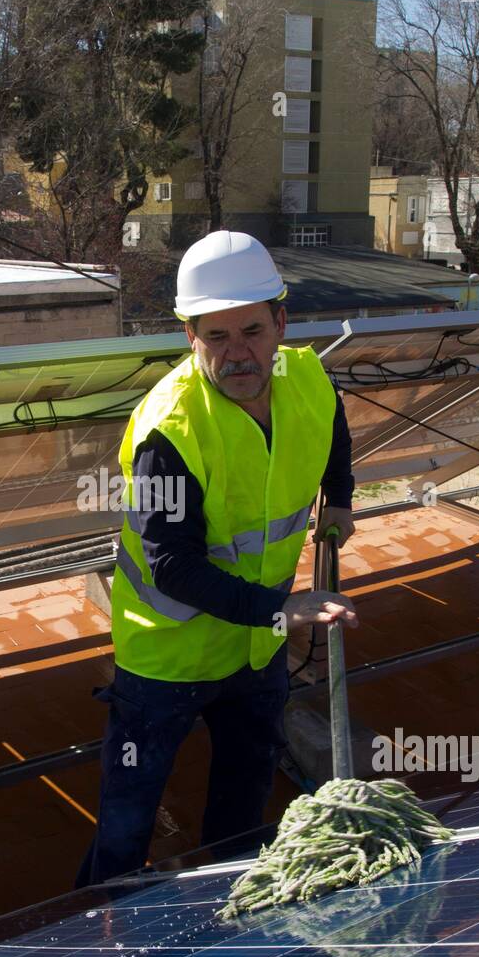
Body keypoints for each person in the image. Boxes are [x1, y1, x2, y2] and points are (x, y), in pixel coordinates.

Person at [75, 230, 358, 888]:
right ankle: (97, 931)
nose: (239, 354)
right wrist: (280, 608)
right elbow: (172, 566)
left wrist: (339, 495)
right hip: (167, 661)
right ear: (189, 336)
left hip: (253, 653)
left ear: (280, 323)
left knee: (242, 802)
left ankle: (228, 909)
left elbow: (331, 424)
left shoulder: (305, 377)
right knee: (127, 822)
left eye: (252, 331)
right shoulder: (168, 431)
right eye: (217, 337)